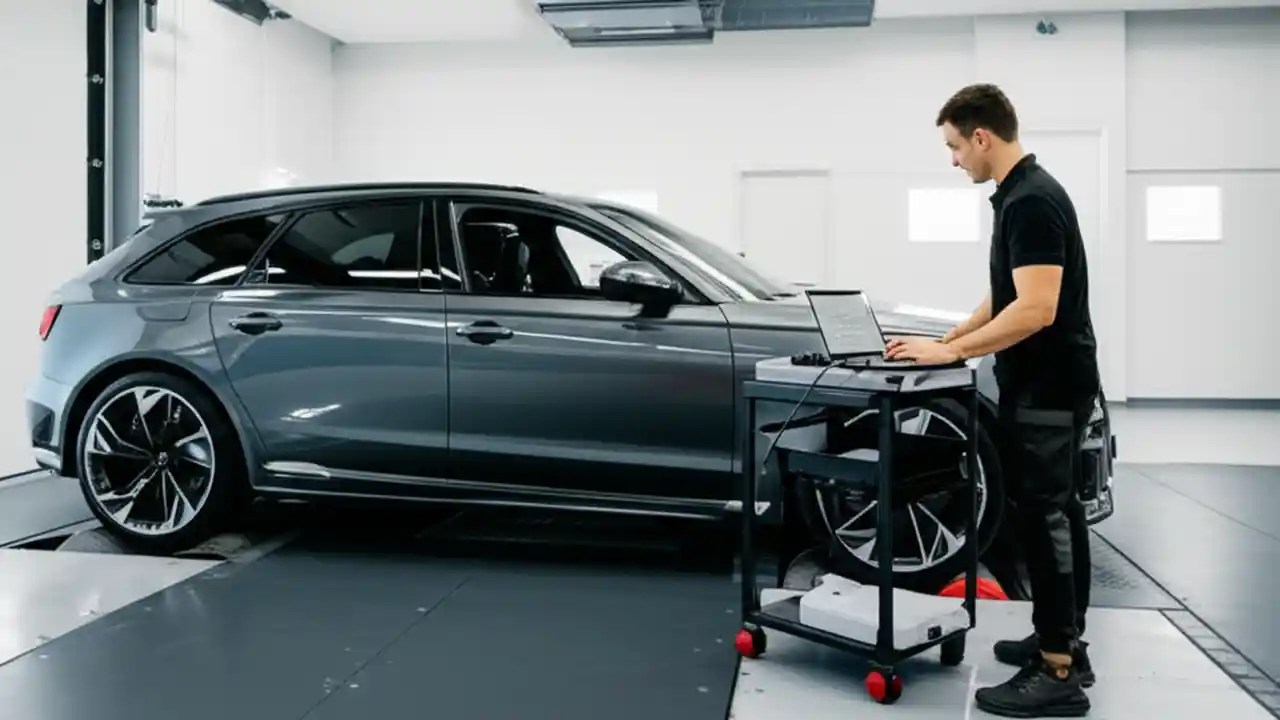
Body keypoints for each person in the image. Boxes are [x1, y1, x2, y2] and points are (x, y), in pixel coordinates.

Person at [884, 83, 1100, 718]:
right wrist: (948, 337)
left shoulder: (1032, 202)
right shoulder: (1018, 197)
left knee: (1045, 516)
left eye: (954, 146)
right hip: (1047, 380)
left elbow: (1036, 309)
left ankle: (1057, 669)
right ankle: (1065, 642)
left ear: (982, 136)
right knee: (1057, 511)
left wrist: (953, 356)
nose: (953, 160)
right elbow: (1007, 294)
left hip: (1048, 383)